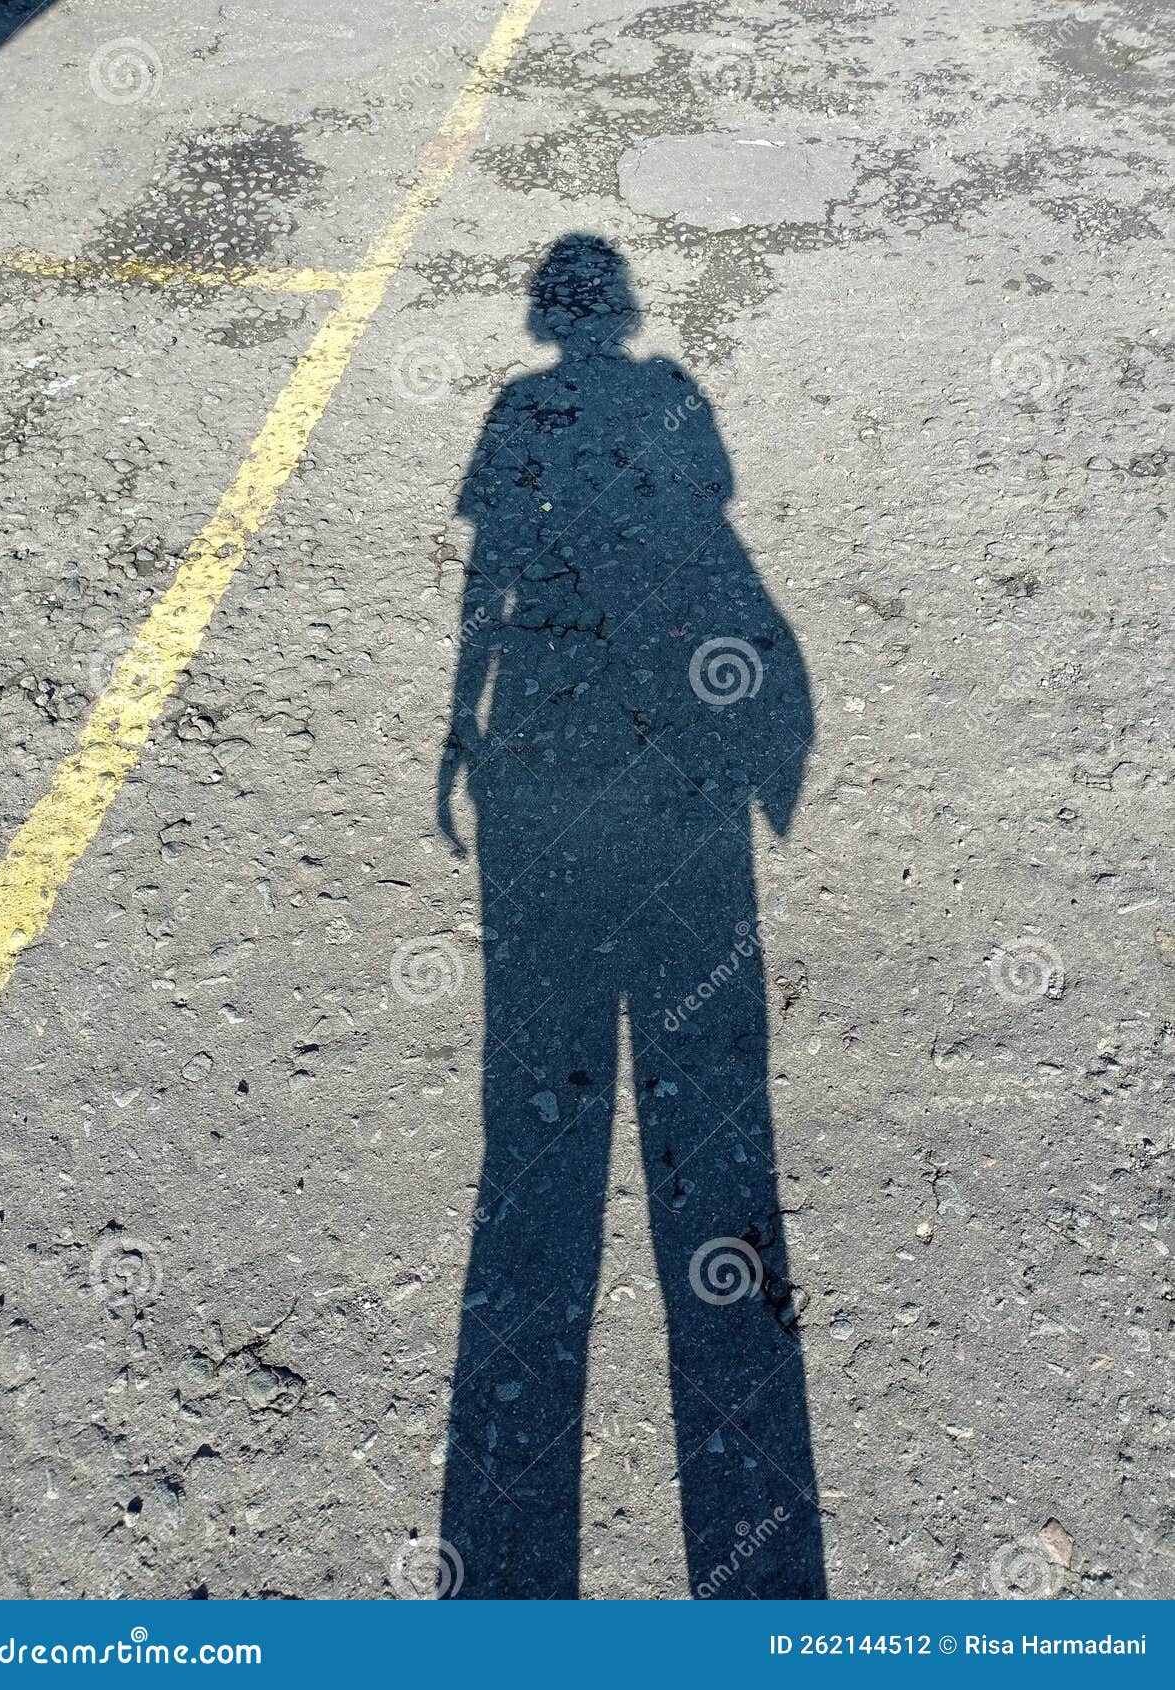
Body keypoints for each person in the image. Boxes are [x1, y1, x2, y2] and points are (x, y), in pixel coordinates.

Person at [436, 234, 823, 1598]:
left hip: (550, 737)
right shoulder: (663, 402)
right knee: (694, 1094)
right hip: (638, 748)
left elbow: (489, 572)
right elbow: (708, 535)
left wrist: (461, 722)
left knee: (532, 1136)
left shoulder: (524, 406)